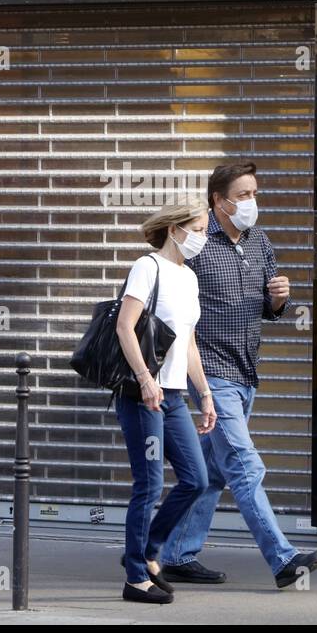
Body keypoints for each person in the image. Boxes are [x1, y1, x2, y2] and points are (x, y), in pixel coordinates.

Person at [160, 162, 317, 588]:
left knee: (213, 471)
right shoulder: (198, 245)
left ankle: (176, 553)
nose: (252, 202)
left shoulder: (259, 241)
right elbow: (175, 304)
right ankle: (284, 560)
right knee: (244, 466)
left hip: (245, 370)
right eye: (244, 194)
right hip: (211, 374)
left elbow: (272, 310)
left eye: (255, 193)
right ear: (219, 200)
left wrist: (280, 300)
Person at [113, 200, 218, 604]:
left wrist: (204, 394)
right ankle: (135, 579)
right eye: (199, 228)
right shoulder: (148, 266)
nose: (203, 237)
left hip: (173, 396)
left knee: (196, 478)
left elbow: (188, 342)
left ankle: (144, 552)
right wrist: (145, 379)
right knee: (150, 484)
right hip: (144, 396)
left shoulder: (188, 277)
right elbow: (125, 326)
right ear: (175, 230)